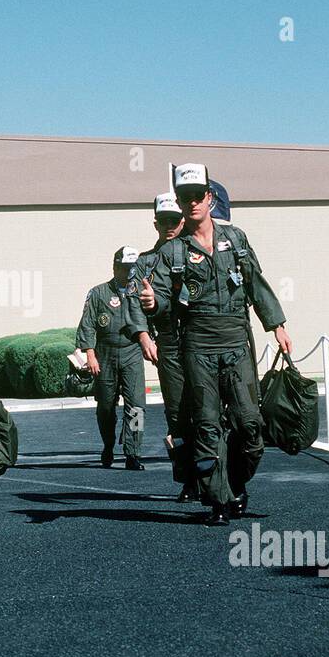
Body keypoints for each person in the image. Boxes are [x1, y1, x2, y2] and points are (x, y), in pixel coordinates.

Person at [141, 165, 292, 525]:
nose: (192, 203)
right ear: (178, 203)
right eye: (185, 198)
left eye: (198, 196)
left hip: (237, 342)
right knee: (207, 425)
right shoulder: (173, 253)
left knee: (249, 424)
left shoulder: (236, 239)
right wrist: (153, 302)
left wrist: (277, 324)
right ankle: (219, 500)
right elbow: (161, 298)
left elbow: (256, 283)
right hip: (198, 345)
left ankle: (235, 483)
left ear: (210, 198)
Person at [77, 246, 158, 470]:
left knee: (137, 406)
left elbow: (154, 320)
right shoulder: (98, 293)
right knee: (105, 407)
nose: (129, 272)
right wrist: (90, 355)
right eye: (125, 267)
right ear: (115, 267)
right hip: (105, 354)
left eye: (133, 268)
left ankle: (133, 452)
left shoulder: (142, 292)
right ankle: (108, 444)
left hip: (131, 353)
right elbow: (88, 324)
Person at [134, 193, 190, 499]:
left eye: (174, 221)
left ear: (182, 221)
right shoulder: (145, 261)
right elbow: (133, 302)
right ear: (156, 224)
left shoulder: (196, 252)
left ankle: (214, 476)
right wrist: (144, 336)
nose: (169, 226)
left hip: (199, 340)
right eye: (163, 221)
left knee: (208, 413)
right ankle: (188, 479)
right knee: (178, 413)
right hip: (167, 342)